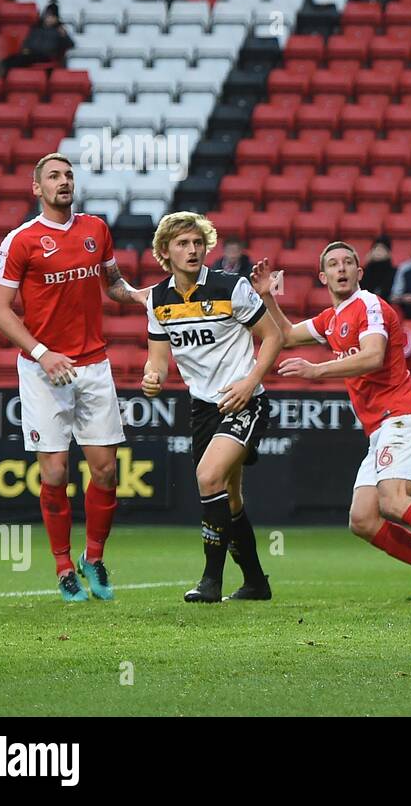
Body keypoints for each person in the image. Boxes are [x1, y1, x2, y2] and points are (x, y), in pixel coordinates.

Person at [251, 242, 411, 601]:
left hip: (403, 416)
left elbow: (373, 356)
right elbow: (285, 336)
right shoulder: (331, 318)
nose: (342, 268)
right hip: (381, 428)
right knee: (363, 519)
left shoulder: (369, 305)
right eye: (333, 264)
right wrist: (267, 297)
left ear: (359, 272)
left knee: (393, 501)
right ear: (323, 276)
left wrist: (317, 370)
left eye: (349, 262)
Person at [0, 153, 149, 602]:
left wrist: (145, 296)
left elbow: (112, 286)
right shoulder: (21, 240)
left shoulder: (96, 230)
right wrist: (42, 353)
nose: (64, 182)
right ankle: (62, 566)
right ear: (36, 188)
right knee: (56, 472)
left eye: (68, 175)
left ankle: (93, 559)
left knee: (104, 471)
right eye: (54, 176)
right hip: (44, 370)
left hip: (93, 365)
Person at [141, 213, 283, 603]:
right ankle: (255, 582)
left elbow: (273, 336)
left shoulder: (230, 286)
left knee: (208, 476)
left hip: (244, 400)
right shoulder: (158, 299)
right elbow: (158, 360)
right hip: (203, 408)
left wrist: (250, 382)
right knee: (230, 497)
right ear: (165, 251)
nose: (193, 250)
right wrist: (151, 377)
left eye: (198, 243)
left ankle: (210, 581)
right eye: (183, 244)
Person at [0, 3, 73, 76]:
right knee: (18, 56)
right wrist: (25, 49)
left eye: (52, 16)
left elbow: (70, 45)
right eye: (47, 16)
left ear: (56, 18)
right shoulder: (37, 28)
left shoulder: (59, 30)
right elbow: (28, 41)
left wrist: (64, 35)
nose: (49, 19)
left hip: (47, 56)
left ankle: (1, 68)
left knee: (24, 58)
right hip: (33, 53)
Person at [359, 234, 396, 300]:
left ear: (389, 253)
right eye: (376, 248)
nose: (378, 251)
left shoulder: (394, 272)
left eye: (382, 249)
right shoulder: (363, 271)